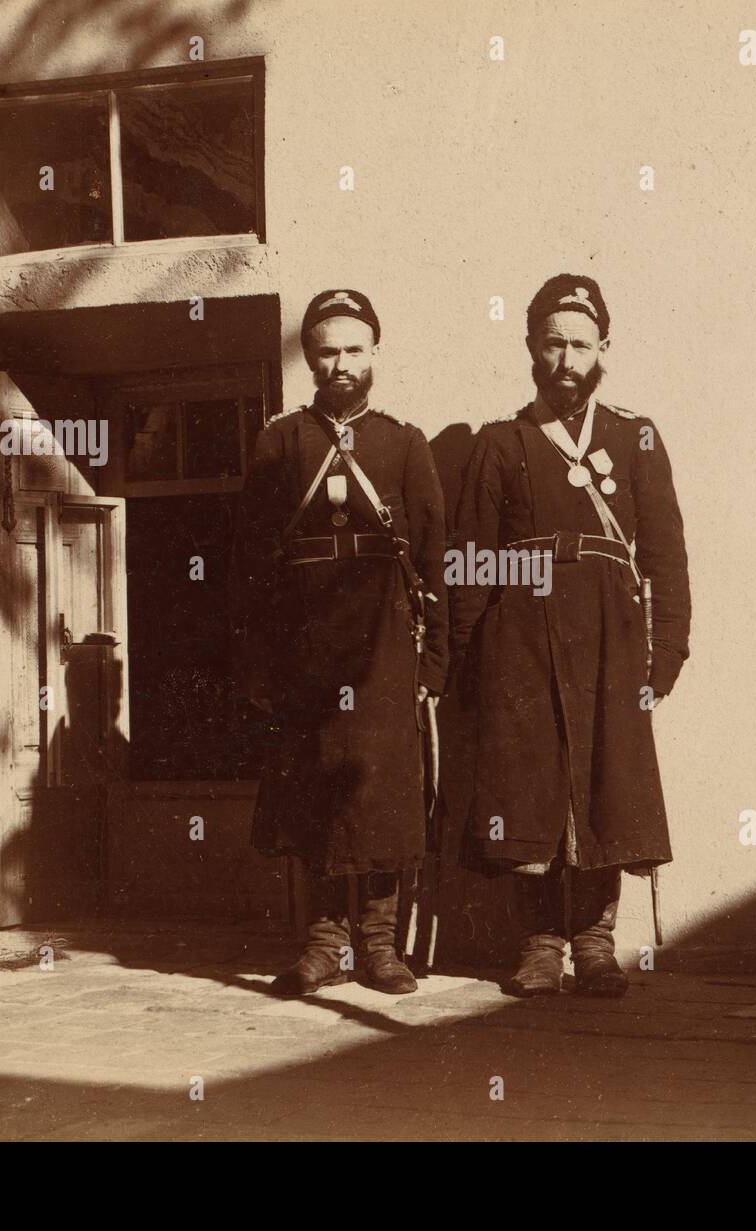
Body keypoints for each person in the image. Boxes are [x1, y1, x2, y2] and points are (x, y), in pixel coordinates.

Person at [449, 274, 691, 998]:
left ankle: (594, 939)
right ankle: (539, 943)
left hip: (613, 642)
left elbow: (667, 557)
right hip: (520, 645)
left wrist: (667, 650)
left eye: (580, 343)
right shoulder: (501, 443)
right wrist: (467, 659)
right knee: (528, 786)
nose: (565, 357)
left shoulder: (635, 436)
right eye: (552, 341)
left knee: (606, 779)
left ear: (603, 348)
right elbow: (470, 561)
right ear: (531, 346)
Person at [231, 289, 447, 996]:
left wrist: (434, 661)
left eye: (355, 348)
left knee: (381, 790)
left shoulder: (404, 442)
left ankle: (380, 944)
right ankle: (323, 943)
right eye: (327, 349)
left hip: (384, 640)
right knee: (312, 788)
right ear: (310, 357)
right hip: (305, 640)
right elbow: (251, 565)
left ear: (374, 354)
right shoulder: (281, 441)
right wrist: (259, 661)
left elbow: (435, 564)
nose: (341, 362)